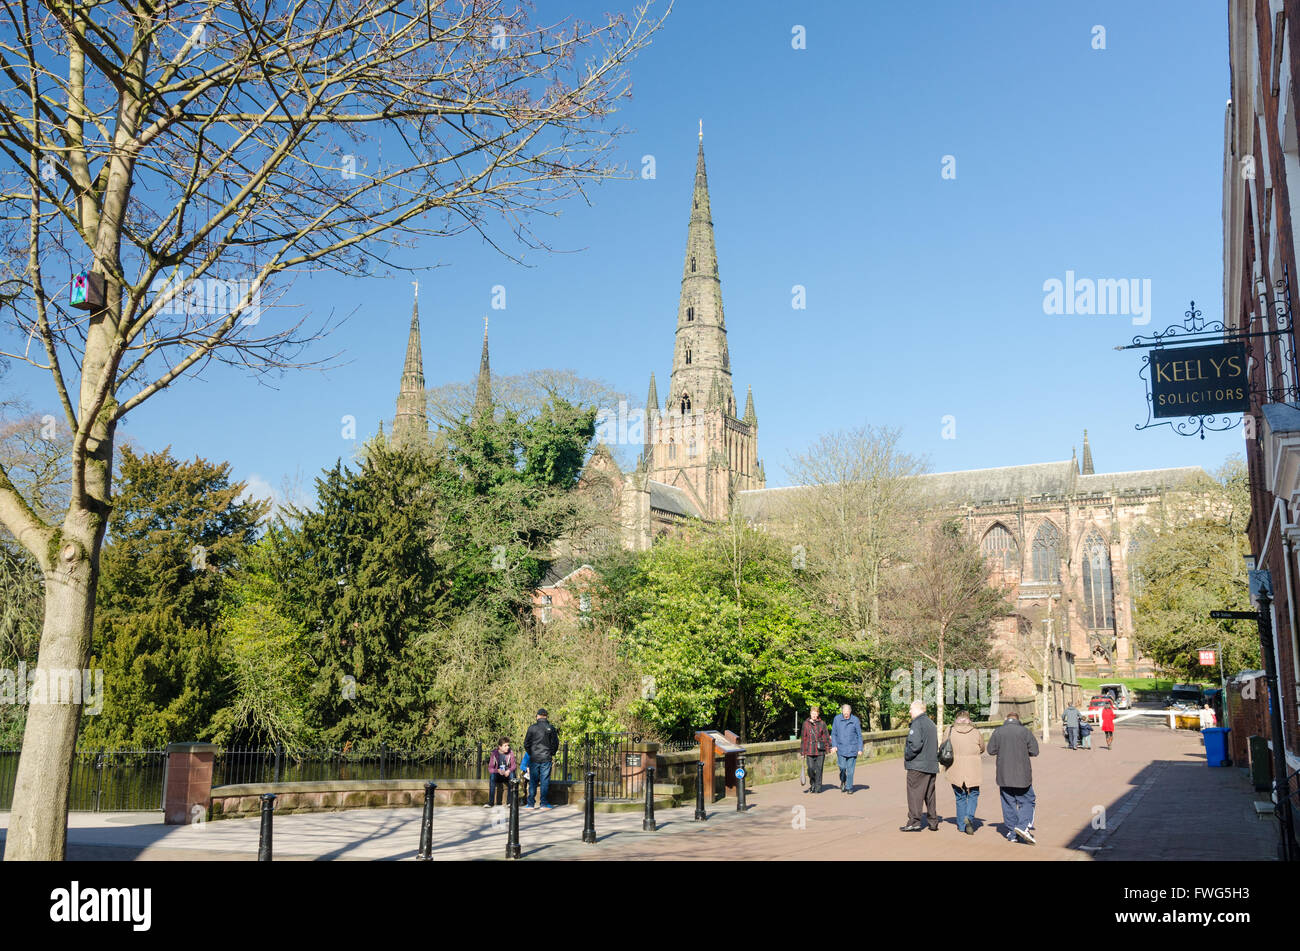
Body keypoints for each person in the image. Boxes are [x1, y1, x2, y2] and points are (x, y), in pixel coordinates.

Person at [985, 711, 1039, 844]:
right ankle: (1022, 826)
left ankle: (1012, 833)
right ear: (1018, 719)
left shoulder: (998, 732)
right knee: (1028, 800)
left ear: (1005, 719)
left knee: (1008, 803)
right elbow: (1034, 751)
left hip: (1003, 775)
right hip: (1022, 775)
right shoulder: (1024, 731)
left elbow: (991, 750)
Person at [944, 709, 985, 835]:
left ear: (956, 719)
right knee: (973, 794)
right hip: (973, 768)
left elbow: (943, 746)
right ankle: (969, 816)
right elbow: (982, 748)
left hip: (954, 768)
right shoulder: (976, 732)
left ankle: (962, 826)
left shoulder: (949, 730)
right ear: (969, 719)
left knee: (960, 797)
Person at [900, 699, 939, 831]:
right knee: (930, 794)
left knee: (914, 794)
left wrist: (907, 755)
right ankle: (933, 821)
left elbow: (915, 745)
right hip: (931, 764)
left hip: (918, 765)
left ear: (917, 709)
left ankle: (914, 821)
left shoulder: (917, 724)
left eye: (911, 709)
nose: (909, 711)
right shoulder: (931, 724)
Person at [523, 708, 560, 809]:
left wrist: (531, 753)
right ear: (546, 716)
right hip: (546, 758)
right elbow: (555, 744)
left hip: (534, 758)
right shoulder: (551, 728)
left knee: (533, 781)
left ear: (538, 716)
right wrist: (551, 753)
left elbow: (526, 744)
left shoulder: (532, 728)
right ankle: (543, 803)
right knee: (545, 780)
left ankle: (530, 803)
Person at [829, 703, 863, 794]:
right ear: (842, 712)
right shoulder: (837, 719)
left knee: (850, 770)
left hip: (852, 748)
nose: (846, 714)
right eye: (844, 712)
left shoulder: (855, 720)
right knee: (842, 767)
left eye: (847, 712)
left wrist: (860, 748)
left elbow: (859, 735)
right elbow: (834, 734)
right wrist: (834, 745)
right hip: (840, 748)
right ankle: (843, 780)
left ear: (850, 712)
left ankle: (849, 787)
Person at [800, 706, 832, 794]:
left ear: (818, 714)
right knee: (810, 768)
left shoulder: (822, 723)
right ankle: (813, 783)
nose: (814, 715)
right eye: (812, 714)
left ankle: (818, 787)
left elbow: (826, 737)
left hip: (820, 750)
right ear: (810, 714)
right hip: (809, 750)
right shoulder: (805, 724)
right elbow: (803, 739)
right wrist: (802, 752)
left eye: (816, 714)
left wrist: (829, 748)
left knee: (819, 769)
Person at [486, 737, 516, 808]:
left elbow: (514, 766)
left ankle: (509, 802)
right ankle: (491, 802)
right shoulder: (494, 754)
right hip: (498, 775)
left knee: (512, 775)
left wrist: (508, 771)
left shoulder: (510, 753)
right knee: (492, 776)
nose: (507, 747)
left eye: (508, 745)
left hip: (507, 775)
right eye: (505, 746)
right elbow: (490, 768)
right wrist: (497, 770)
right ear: (500, 747)